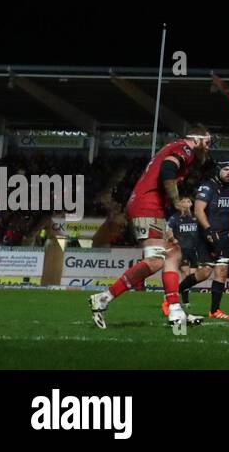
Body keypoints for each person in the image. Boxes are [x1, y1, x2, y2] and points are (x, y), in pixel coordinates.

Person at [90, 126, 212, 334]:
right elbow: (168, 168)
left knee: (173, 252)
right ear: (197, 139)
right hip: (147, 206)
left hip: (148, 205)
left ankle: (175, 309)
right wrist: (176, 200)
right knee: (156, 260)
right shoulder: (185, 148)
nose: (208, 148)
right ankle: (103, 298)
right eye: (207, 143)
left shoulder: (174, 147)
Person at [193, 160, 229, 319]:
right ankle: (174, 293)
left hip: (224, 235)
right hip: (209, 235)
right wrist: (209, 230)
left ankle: (214, 310)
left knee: (222, 271)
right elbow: (198, 210)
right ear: (218, 170)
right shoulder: (207, 187)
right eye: (225, 170)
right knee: (205, 273)